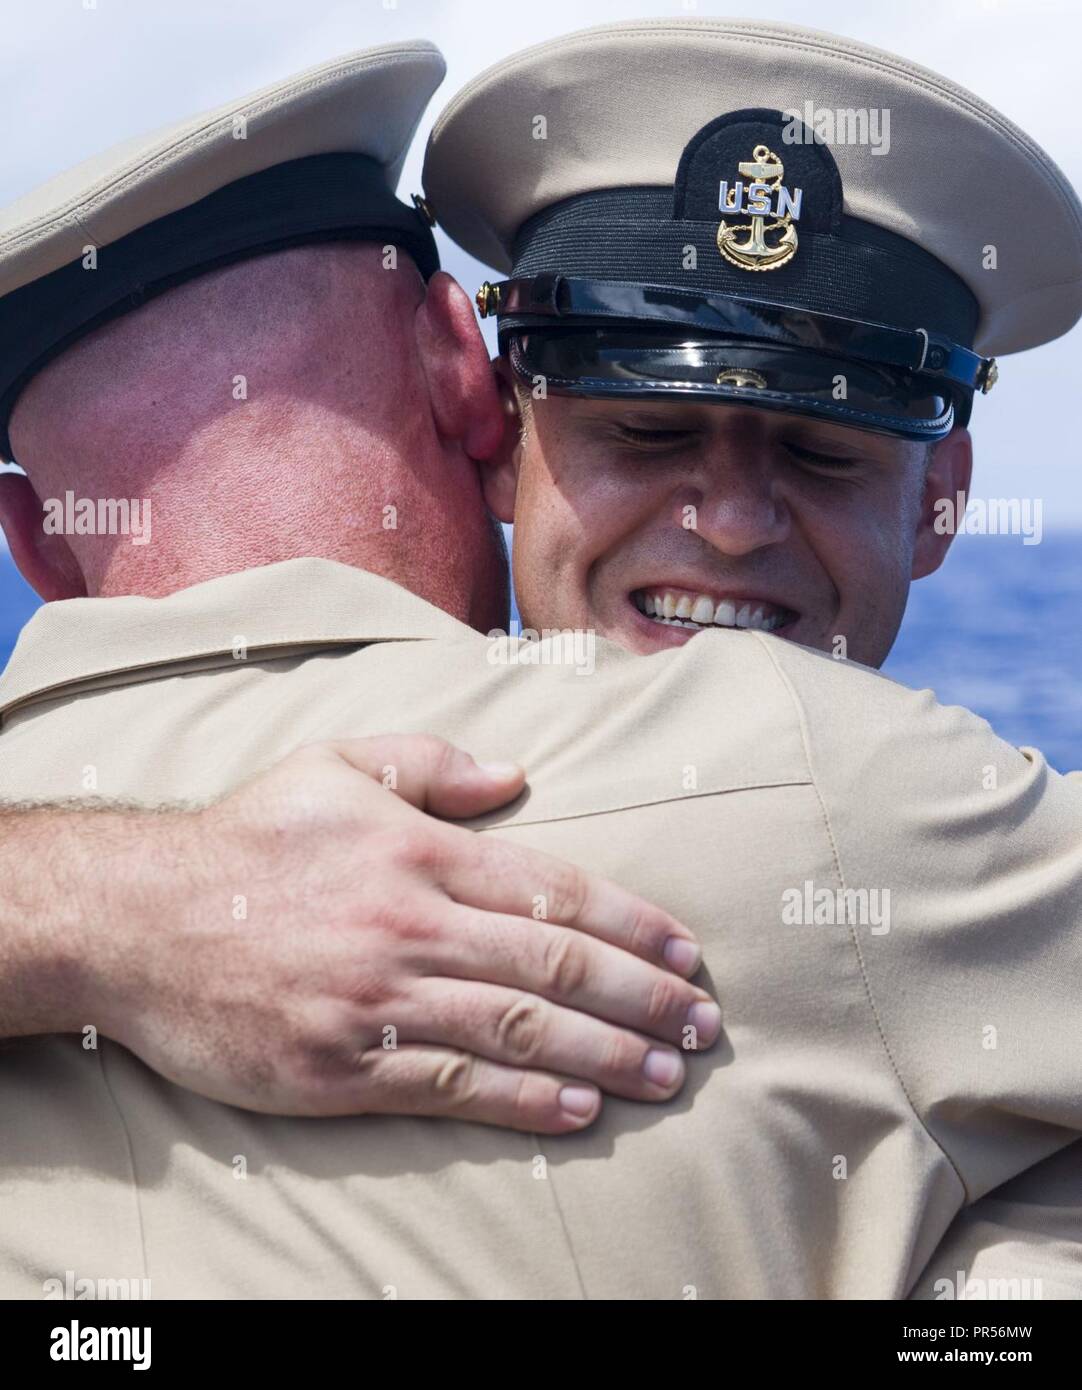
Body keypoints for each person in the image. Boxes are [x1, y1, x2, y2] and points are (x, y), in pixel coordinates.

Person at [0, 21, 1080, 1301]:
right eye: (646, 430)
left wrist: (103, 912)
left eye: (821, 456)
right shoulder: (861, 799)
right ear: (490, 406)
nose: (728, 522)